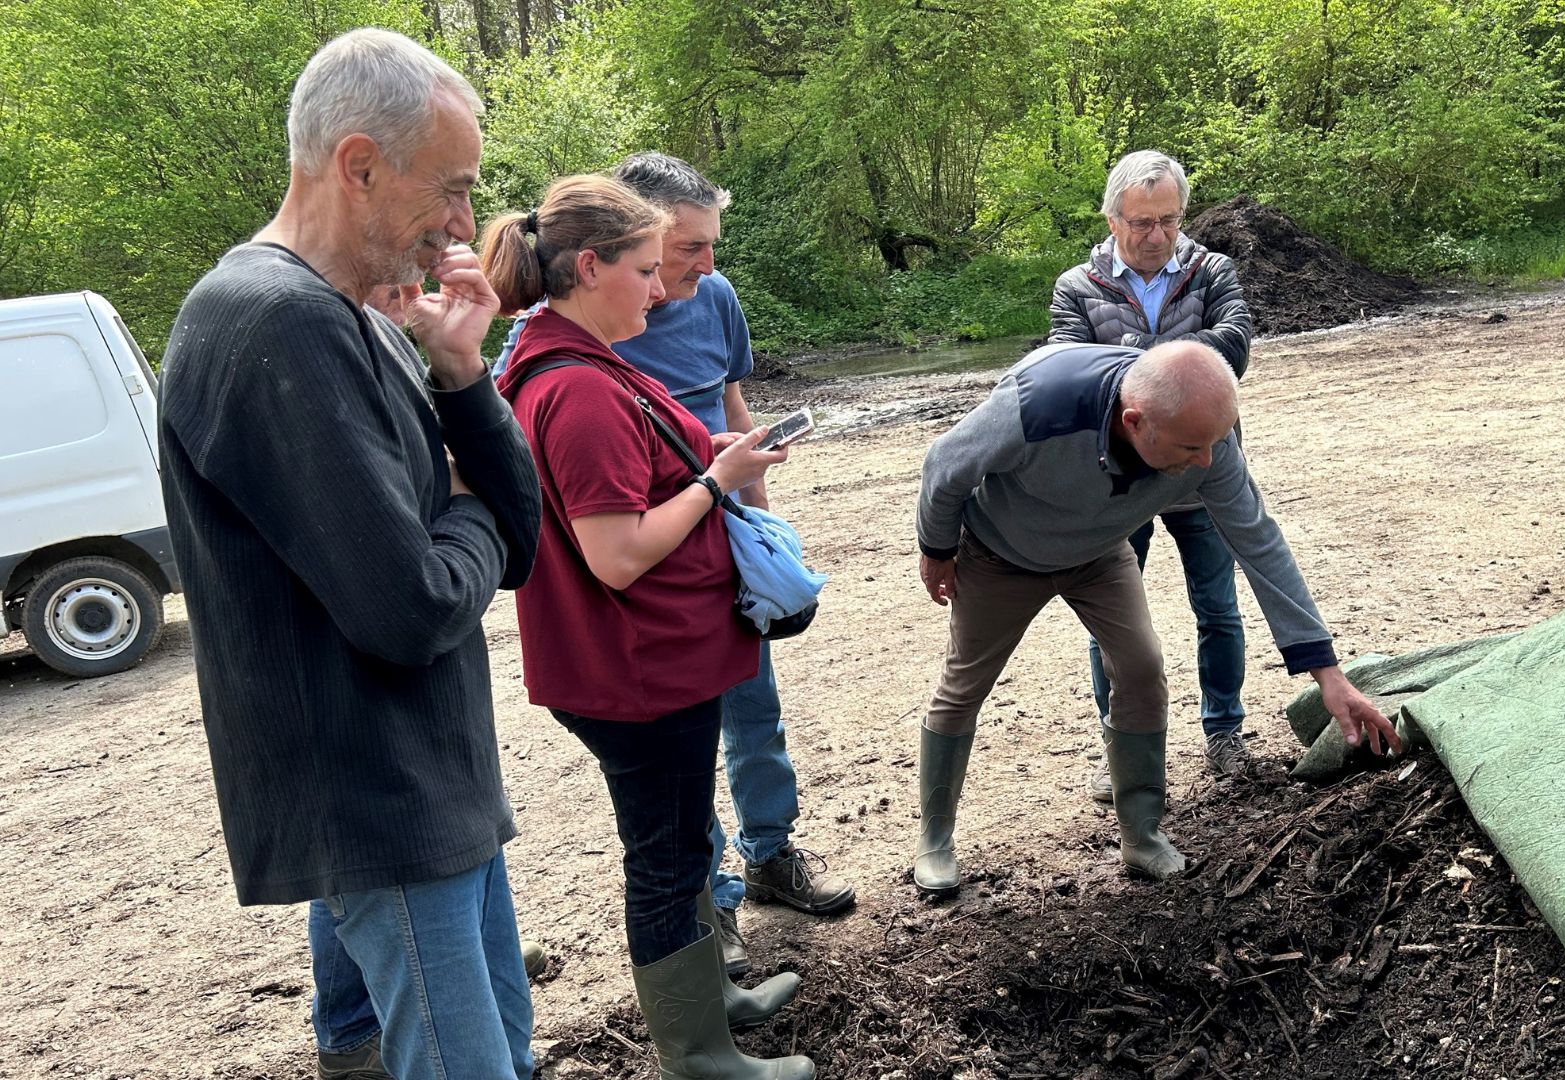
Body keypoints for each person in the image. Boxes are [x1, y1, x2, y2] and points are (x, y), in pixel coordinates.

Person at [158, 28, 542, 1080]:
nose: (468, 224)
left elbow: (522, 541)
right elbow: (411, 608)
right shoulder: (273, 322)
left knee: (506, 1052)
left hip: (436, 786)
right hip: (383, 800)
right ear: (359, 164)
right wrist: (469, 517)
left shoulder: (364, 319)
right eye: (453, 189)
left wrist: (463, 370)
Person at [491, 153, 854, 977]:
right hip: (642, 649)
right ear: (595, 266)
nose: (670, 286)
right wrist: (712, 480)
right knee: (668, 848)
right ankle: (701, 1000)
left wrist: (726, 478)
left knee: (700, 803)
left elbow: (668, 440)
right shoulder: (569, 373)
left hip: (683, 614)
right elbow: (613, 551)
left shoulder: (604, 345)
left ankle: (732, 951)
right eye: (659, 263)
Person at [911, 340, 1398, 895]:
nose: (1206, 462)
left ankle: (1141, 835)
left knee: (1142, 669)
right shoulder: (1040, 401)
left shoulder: (1207, 440)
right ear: (1135, 422)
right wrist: (938, 546)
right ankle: (935, 839)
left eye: (1215, 442)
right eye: (1193, 447)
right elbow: (945, 465)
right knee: (964, 685)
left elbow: (1259, 541)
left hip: (1098, 554)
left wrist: (1327, 673)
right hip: (1001, 554)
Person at [1047, 151, 1257, 796]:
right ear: (1112, 219)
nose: (1157, 234)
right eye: (1142, 221)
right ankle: (1122, 743)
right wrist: (1171, 370)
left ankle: (1224, 733)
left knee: (1217, 607)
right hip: (1119, 476)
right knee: (1110, 619)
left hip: (1203, 467)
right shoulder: (1076, 286)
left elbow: (1237, 346)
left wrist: (1138, 370)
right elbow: (1065, 367)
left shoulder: (1212, 269)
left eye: (1169, 219)